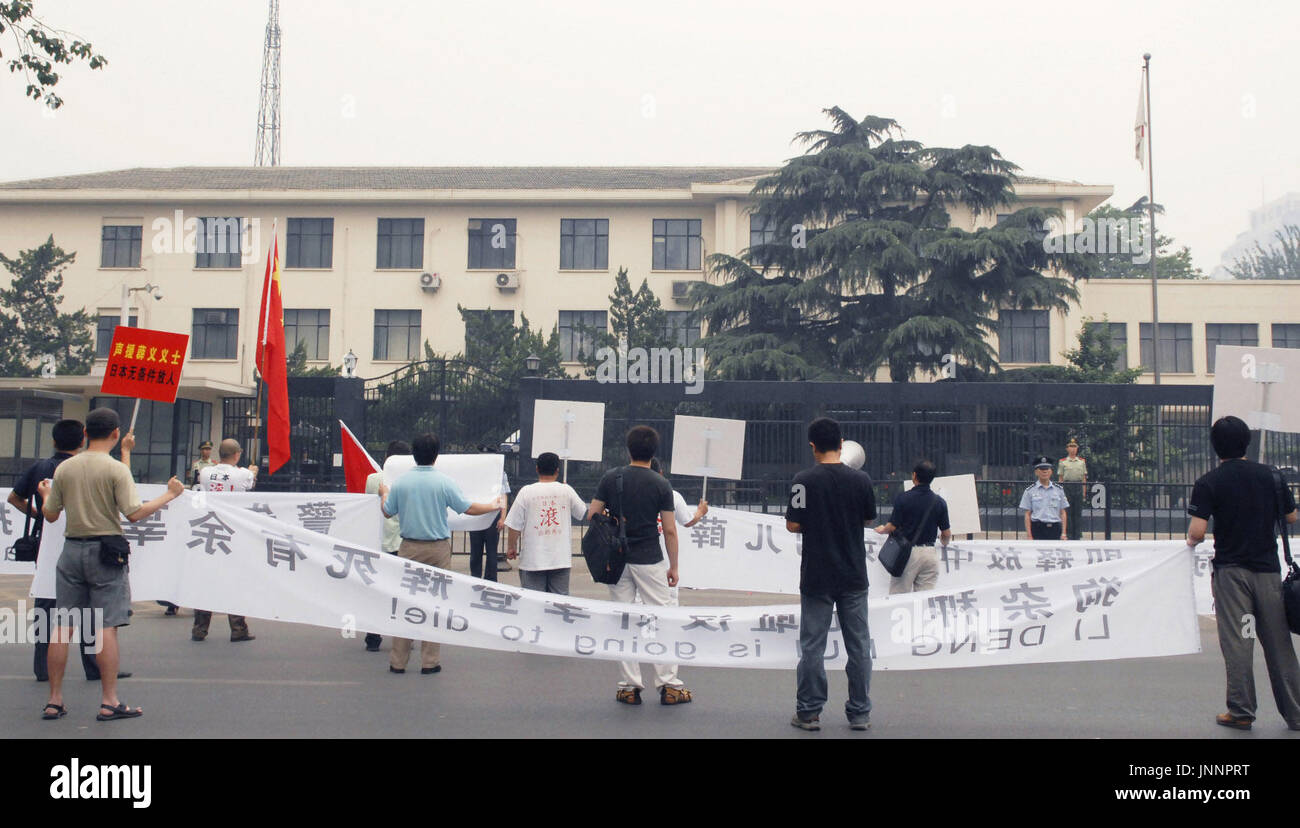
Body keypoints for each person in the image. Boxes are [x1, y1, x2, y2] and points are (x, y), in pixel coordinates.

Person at [36, 407, 184, 722]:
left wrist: (46, 493)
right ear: (116, 434)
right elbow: (134, 512)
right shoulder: (116, 470)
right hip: (106, 553)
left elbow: (50, 515)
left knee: (62, 626)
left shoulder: (66, 469)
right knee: (106, 628)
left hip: (72, 550)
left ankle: (54, 700)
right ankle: (109, 701)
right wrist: (170, 495)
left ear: (86, 433)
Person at [1186, 415, 1300, 731]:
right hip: (1267, 572)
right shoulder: (1272, 477)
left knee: (1238, 642)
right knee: (1279, 643)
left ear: (1215, 446)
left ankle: (1241, 711)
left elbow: (1196, 532)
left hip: (1231, 572)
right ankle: (1296, 712)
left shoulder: (1209, 482)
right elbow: (1291, 517)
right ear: (1247, 442)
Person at [10, 419, 129, 683]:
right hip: (82, 541)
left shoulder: (40, 467)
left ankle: (43, 668)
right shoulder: (82, 467)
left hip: (47, 545)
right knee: (90, 606)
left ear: (54, 441)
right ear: (82, 439)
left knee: (47, 604)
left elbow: (14, 498)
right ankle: (95, 665)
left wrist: (38, 515)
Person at [380, 433, 504, 675]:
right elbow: (467, 508)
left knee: (405, 602)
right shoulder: (443, 482)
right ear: (436, 456)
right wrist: (492, 506)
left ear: (413, 456)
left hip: (408, 548)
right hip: (437, 548)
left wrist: (384, 492)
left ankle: (398, 661)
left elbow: (387, 511)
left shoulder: (401, 483)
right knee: (435, 604)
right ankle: (429, 661)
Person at [586, 426, 692, 706]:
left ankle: (628, 686)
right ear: (654, 452)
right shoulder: (660, 484)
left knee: (623, 619)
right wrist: (674, 567)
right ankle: (669, 685)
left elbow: (592, 514)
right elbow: (669, 530)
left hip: (618, 561)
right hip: (649, 558)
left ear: (628, 449)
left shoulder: (611, 477)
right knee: (662, 618)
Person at [785, 417, 877, 731]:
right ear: (841, 444)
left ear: (813, 446)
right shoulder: (861, 480)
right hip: (853, 574)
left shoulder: (802, 480)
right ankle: (860, 712)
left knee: (813, 646)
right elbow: (867, 518)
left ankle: (809, 711)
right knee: (859, 646)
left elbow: (793, 524)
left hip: (816, 575)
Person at [191, 438, 258, 643]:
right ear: (237, 454)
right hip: (232, 533)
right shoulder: (243, 474)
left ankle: (199, 629)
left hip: (209, 530)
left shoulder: (204, 472)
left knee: (206, 580)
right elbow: (250, 485)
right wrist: (253, 472)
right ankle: (238, 628)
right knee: (234, 580)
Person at [503, 452, 585, 594]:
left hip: (533, 559)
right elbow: (582, 512)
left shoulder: (526, 492)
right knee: (559, 604)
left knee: (534, 604)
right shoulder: (566, 490)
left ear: (537, 469)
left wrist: (511, 547)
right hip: (560, 559)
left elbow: (514, 525)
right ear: (557, 470)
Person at [874, 459, 952, 594]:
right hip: (929, 554)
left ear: (914, 475)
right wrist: (944, 543)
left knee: (898, 597)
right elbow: (946, 534)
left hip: (906, 554)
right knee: (924, 600)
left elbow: (892, 526)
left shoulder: (903, 498)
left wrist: (882, 530)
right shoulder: (939, 502)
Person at [363, 440, 410, 652]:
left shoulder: (373, 479)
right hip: (403, 541)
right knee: (403, 591)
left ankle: (373, 636)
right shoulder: (410, 481)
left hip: (379, 540)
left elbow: (368, 506)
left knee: (376, 590)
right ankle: (404, 636)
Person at [468, 466, 510, 581]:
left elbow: (503, 495)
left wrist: (502, 517)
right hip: (480, 513)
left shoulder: (499, 472)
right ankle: (477, 578)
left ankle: (487, 579)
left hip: (488, 514)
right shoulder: (477, 471)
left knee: (489, 552)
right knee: (477, 551)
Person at [1019, 456, 1068, 540]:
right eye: (1041, 469)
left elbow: (1063, 512)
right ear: (1036, 472)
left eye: (1047, 469)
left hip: (1055, 528)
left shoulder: (1059, 490)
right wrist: (1029, 535)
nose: (1044, 471)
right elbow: (1027, 514)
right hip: (1037, 528)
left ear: (1051, 471)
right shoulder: (1030, 491)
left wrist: (1063, 533)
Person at [1057, 438, 1088, 540]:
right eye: (1071, 446)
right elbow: (1060, 478)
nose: (1073, 449)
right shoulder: (1063, 462)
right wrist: (1060, 492)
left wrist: (1084, 491)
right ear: (1067, 448)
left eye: (1074, 446)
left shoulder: (1081, 462)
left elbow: (1084, 478)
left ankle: (1077, 534)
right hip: (1067, 486)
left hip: (1078, 486)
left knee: (1078, 511)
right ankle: (1069, 533)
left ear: (1077, 448)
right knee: (1067, 511)